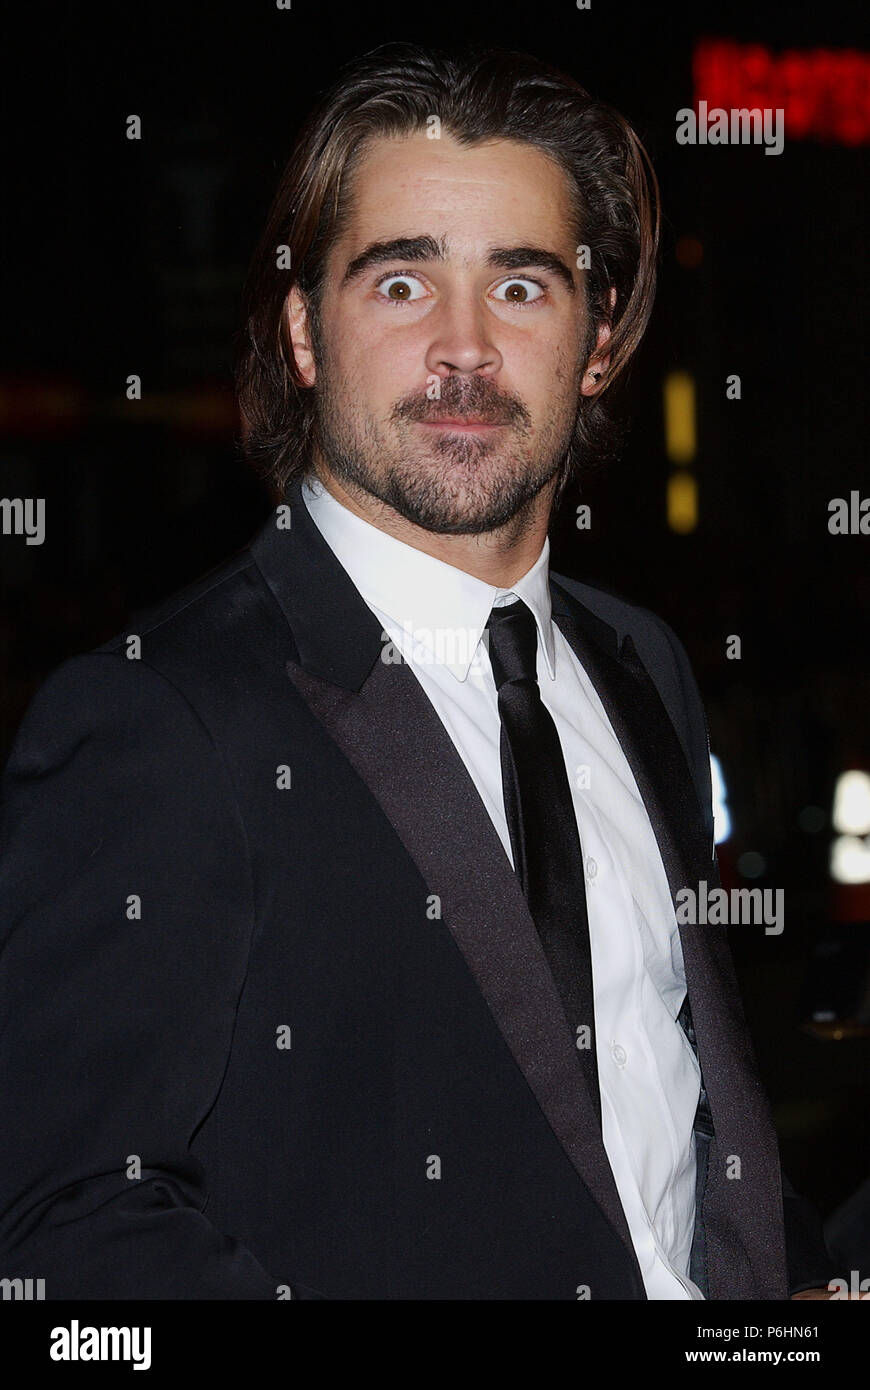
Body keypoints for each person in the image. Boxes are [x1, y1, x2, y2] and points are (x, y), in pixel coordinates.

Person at [0, 42, 838, 1299]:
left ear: (598, 337)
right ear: (302, 332)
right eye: (401, 284)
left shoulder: (637, 666)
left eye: (521, 287)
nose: (465, 350)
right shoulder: (157, 716)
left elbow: (654, 1138)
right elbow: (64, 1230)